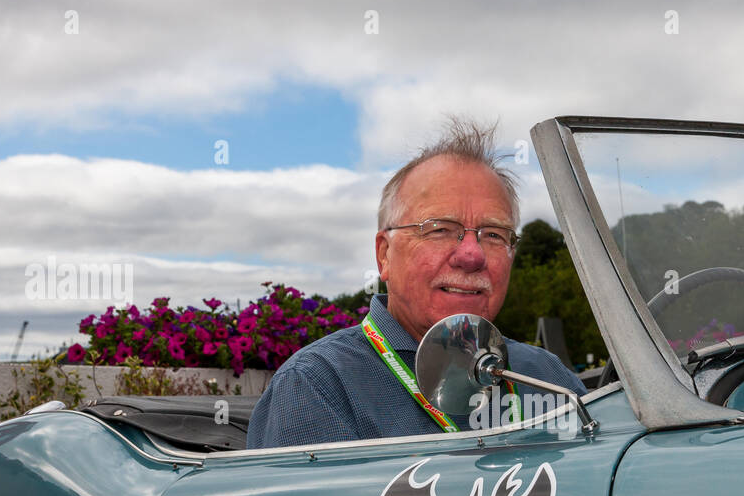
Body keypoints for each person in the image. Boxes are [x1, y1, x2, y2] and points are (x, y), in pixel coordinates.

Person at [247, 119, 587, 449]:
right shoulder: (318, 386)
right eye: (439, 229)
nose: (472, 255)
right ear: (384, 255)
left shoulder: (548, 377)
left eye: (494, 235)